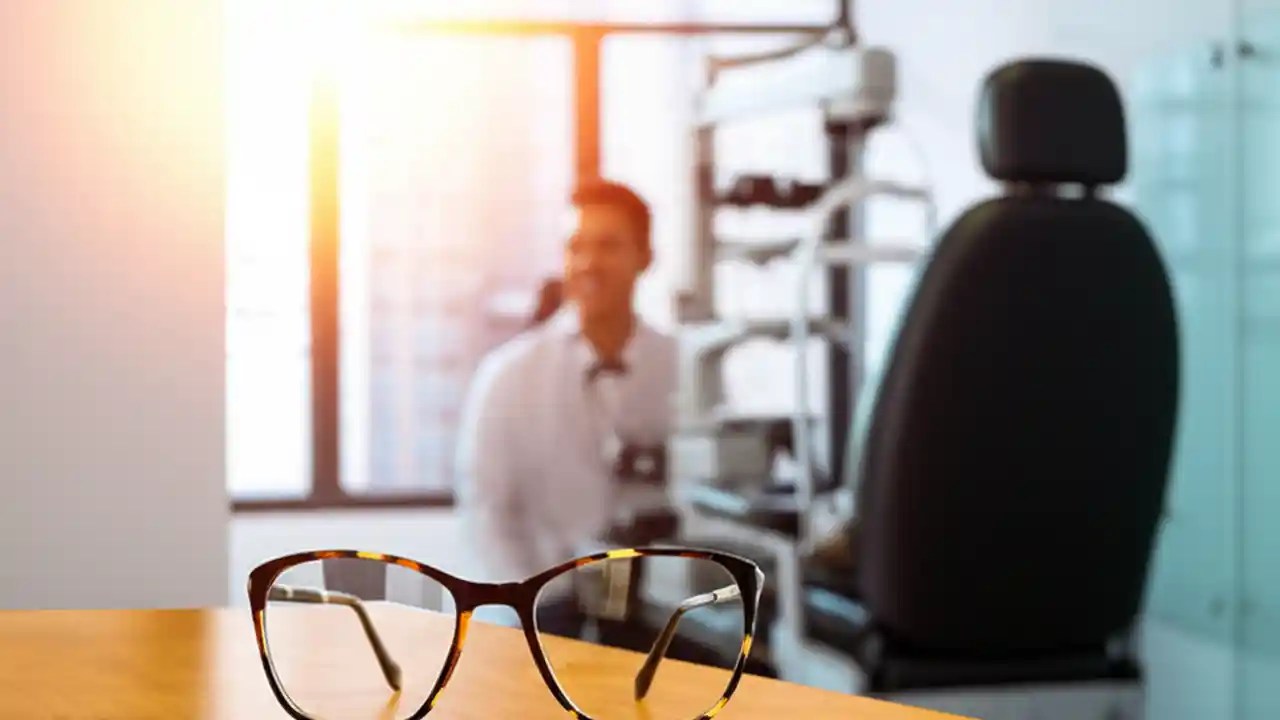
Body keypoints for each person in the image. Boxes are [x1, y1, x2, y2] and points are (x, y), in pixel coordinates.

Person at [455, 180, 678, 634]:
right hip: (544, 617)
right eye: (576, 247)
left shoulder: (680, 368)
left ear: (646, 257)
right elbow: (486, 511)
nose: (589, 263)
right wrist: (532, 603)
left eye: (609, 246)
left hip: (659, 619)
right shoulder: (508, 376)